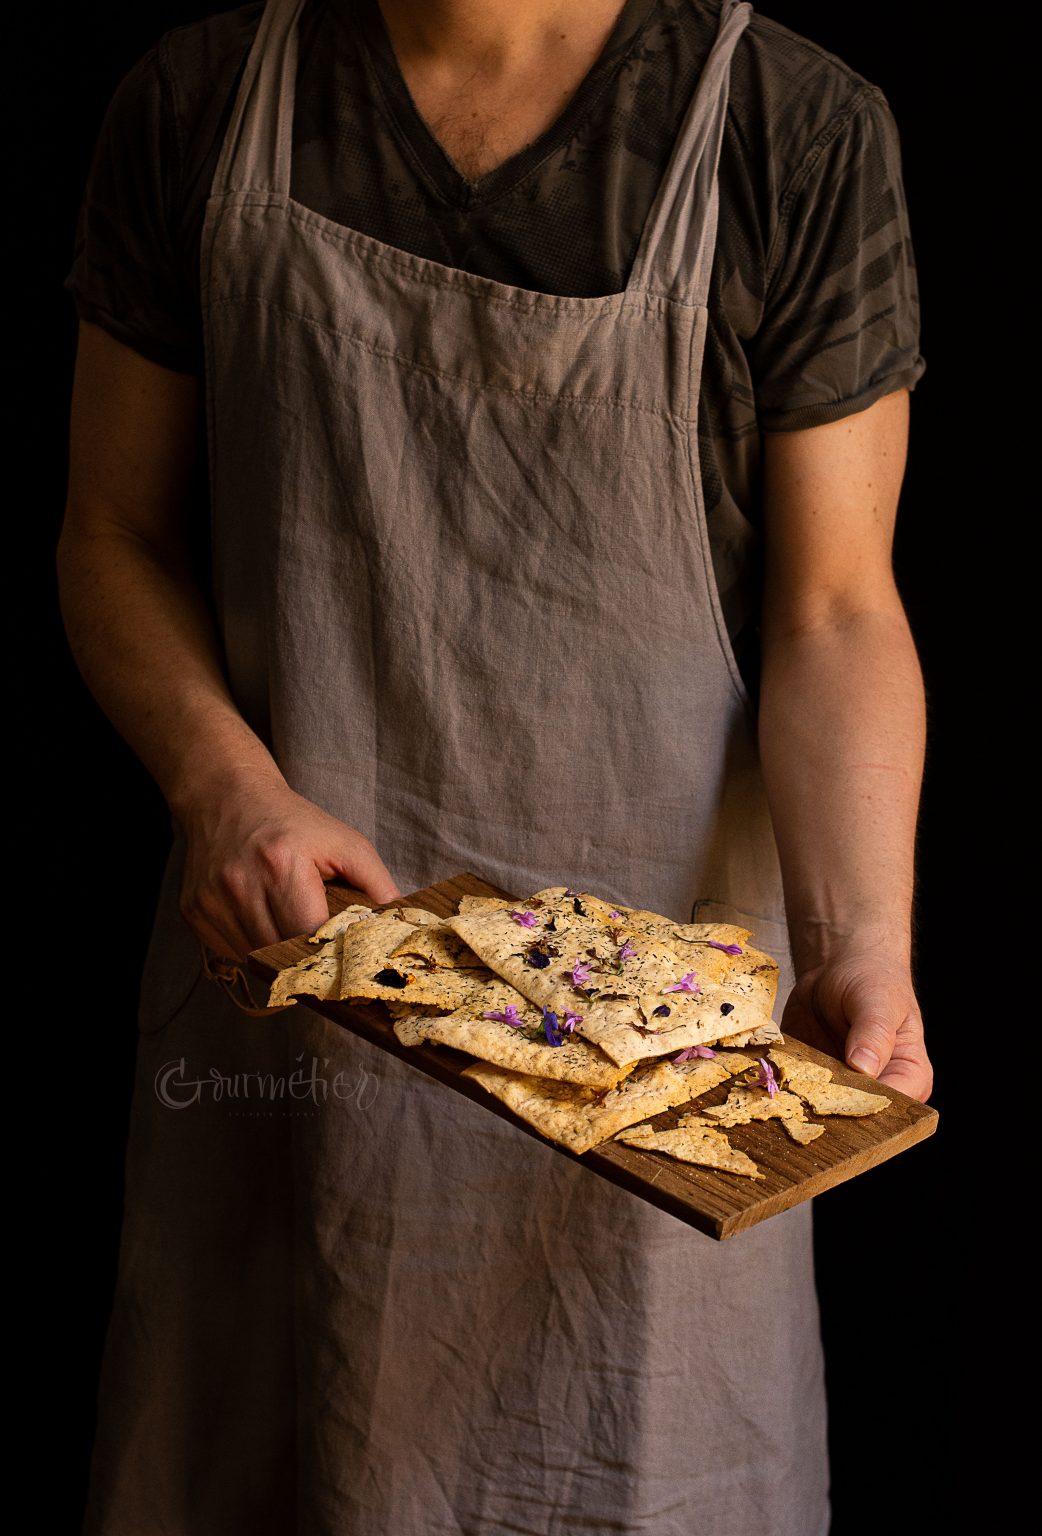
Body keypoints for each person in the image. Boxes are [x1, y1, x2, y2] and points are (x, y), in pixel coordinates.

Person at [59, 0, 933, 1531]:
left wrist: (864, 948)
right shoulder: (201, 99)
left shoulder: (785, 124)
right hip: (289, 977)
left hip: (661, 1067)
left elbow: (837, 609)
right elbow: (111, 534)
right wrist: (220, 787)